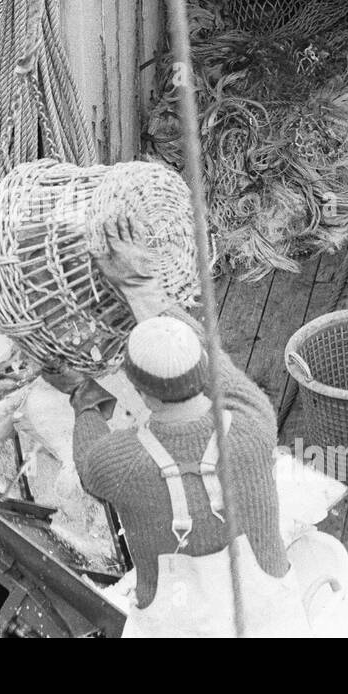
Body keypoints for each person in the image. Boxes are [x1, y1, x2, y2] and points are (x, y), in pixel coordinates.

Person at [49, 217, 310, 638]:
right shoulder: (253, 420)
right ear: (202, 371)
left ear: (136, 386)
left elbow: (87, 459)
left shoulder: (117, 464)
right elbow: (213, 357)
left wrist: (84, 398)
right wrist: (144, 289)